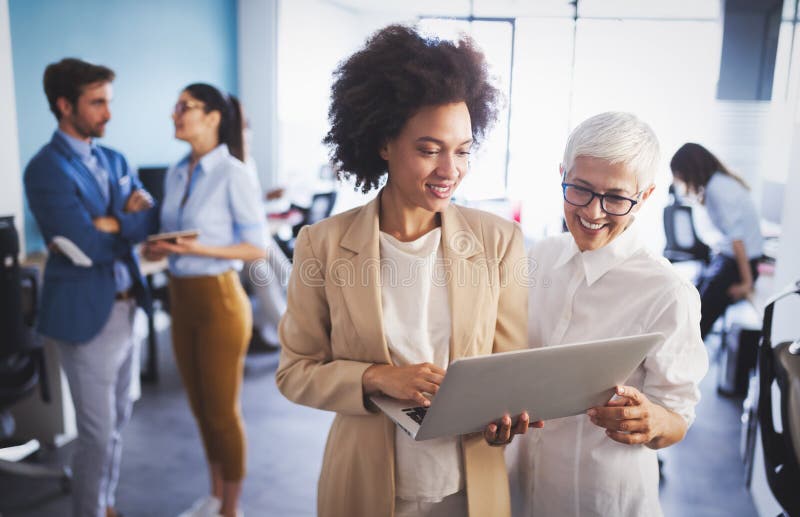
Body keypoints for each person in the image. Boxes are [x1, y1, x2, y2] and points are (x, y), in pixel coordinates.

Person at [275, 24, 531, 517]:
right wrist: (377, 377)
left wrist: (507, 415)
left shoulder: (499, 242)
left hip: (469, 487)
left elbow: (509, 371)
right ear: (383, 142)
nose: (449, 170)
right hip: (367, 486)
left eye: (462, 150)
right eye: (429, 149)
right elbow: (295, 372)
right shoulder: (323, 245)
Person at [506, 112, 709, 516]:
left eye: (615, 198)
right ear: (562, 174)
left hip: (599, 499)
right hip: (521, 487)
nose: (593, 212)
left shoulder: (668, 293)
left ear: (645, 196)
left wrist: (651, 421)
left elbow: (678, 416)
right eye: (579, 189)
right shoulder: (539, 258)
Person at [24, 57, 158, 517]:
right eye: (97, 102)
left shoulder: (115, 159)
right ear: (65, 105)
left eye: (109, 101)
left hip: (127, 308)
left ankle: (104, 503)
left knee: (118, 421)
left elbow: (149, 218)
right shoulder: (45, 169)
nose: (108, 113)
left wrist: (111, 223)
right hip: (84, 315)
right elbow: (83, 244)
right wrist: (125, 223)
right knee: (97, 432)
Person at [142, 84, 266, 517]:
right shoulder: (178, 171)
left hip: (220, 302)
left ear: (213, 117)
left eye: (184, 107)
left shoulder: (235, 172)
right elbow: (175, 233)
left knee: (221, 412)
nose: (175, 114)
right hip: (181, 298)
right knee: (199, 409)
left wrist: (199, 250)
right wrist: (163, 248)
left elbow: (257, 248)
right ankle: (214, 496)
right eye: (175, 106)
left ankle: (231, 509)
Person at [670, 142, 764, 339]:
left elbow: (737, 239)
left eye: (678, 173)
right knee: (689, 306)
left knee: (696, 323)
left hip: (738, 266)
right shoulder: (717, 184)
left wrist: (747, 283)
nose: (676, 179)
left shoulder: (718, 189)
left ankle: (683, 363)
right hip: (728, 260)